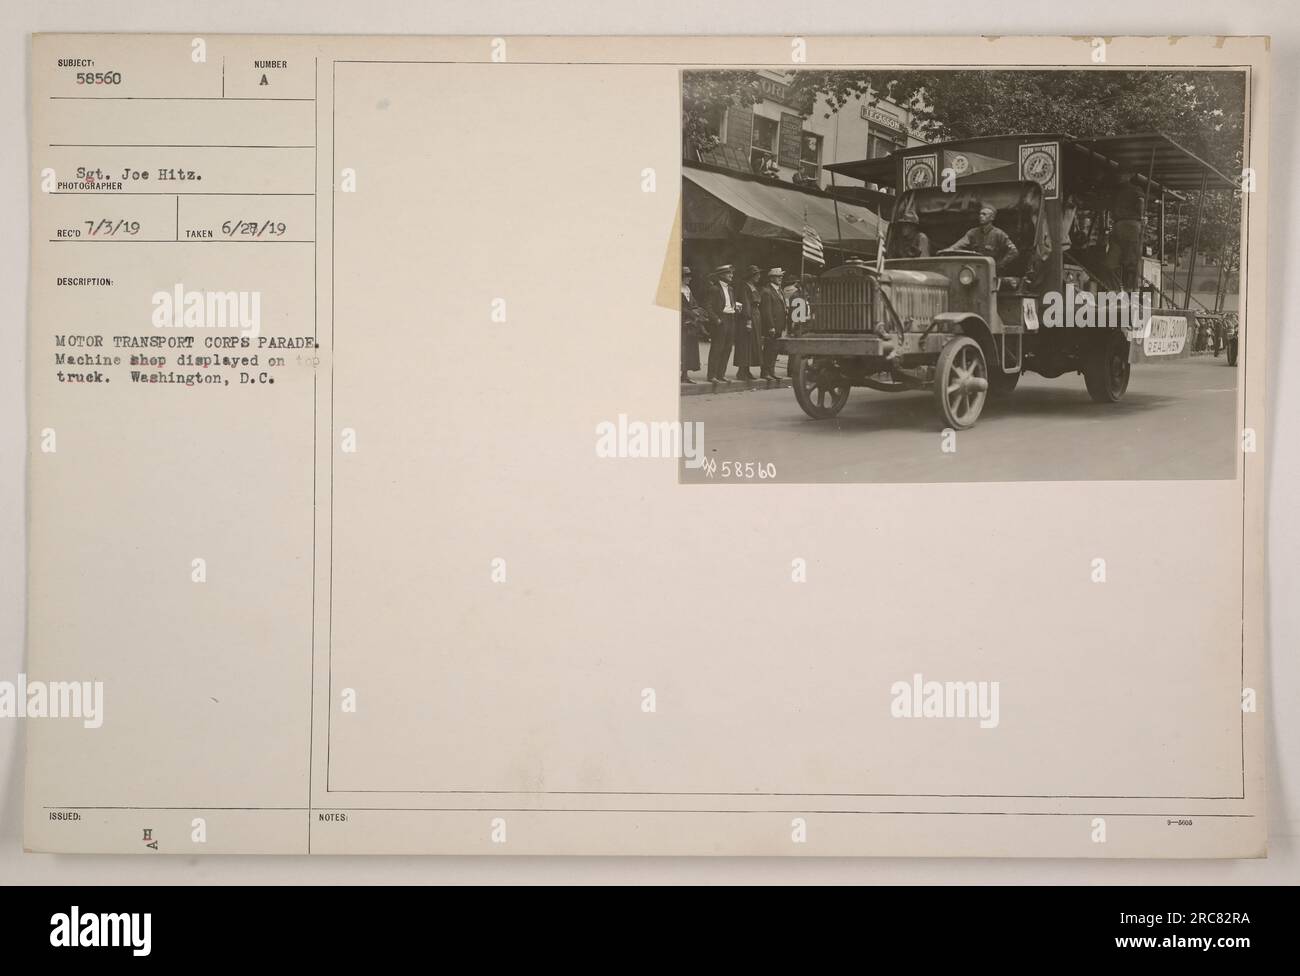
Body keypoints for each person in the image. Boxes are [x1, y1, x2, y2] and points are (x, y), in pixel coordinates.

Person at [1105, 166, 1146, 290]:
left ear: (1130, 175)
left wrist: (1141, 217)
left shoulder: (1135, 189)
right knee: (1111, 264)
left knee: (1130, 262)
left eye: (1123, 173)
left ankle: (1131, 292)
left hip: (1130, 225)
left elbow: (1141, 203)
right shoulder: (1117, 191)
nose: (1120, 176)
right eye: (1119, 174)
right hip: (1119, 225)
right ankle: (1116, 293)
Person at [949, 203, 1019, 273]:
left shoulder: (999, 234)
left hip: (991, 272)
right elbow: (959, 245)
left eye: (984, 214)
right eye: (980, 214)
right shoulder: (972, 233)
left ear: (992, 218)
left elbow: (1014, 251)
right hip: (975, 270)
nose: (981, 216)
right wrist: (948, 250)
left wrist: (999, 265)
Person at [704, 264, 738, 383]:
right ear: (721, 275)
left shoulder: (731, 289)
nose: (731, 275)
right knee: (717, 348)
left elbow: (730, 303)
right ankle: (712, 375)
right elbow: (708, 306)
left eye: (731, 273)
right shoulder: (714, 289)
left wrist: (735, 307)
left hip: (731, 318)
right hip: (721, 320)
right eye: (729, 273)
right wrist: (717, 319)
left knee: (727, 347)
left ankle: (721, 374)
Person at [733, 265, 762, 380]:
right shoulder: (744, 286)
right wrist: (748, 320)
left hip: (755, 315)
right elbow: (745, 303)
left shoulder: (753, 286)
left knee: (752, 344)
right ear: (751, 276)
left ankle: (747, 369)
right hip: (747, 317)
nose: (759, 276)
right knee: (745, 343)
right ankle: (741, 370)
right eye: (757, 274)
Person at [759, 267, 788, 381]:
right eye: (778, 276)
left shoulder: (779, 290)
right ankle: (765, 372)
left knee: (774, 349)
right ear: (771, 278)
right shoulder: (767, 291)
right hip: (772, 326)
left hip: (779, 325)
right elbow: (767, 311)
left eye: (781, 276)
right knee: (769, 349)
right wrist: (771, 326)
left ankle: (771, 371)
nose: (780, 278)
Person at [680, 266, 703, 383]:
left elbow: (694, 303)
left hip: (690, 322)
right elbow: (680, 307)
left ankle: (685, 374)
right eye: (687, 276)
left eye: (690, 276)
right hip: (681, 322)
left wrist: (697, 311)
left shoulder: (688, 289)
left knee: (688, 348)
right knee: (681, 347)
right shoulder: (677, 289)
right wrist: (692, 313)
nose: (690, 278)